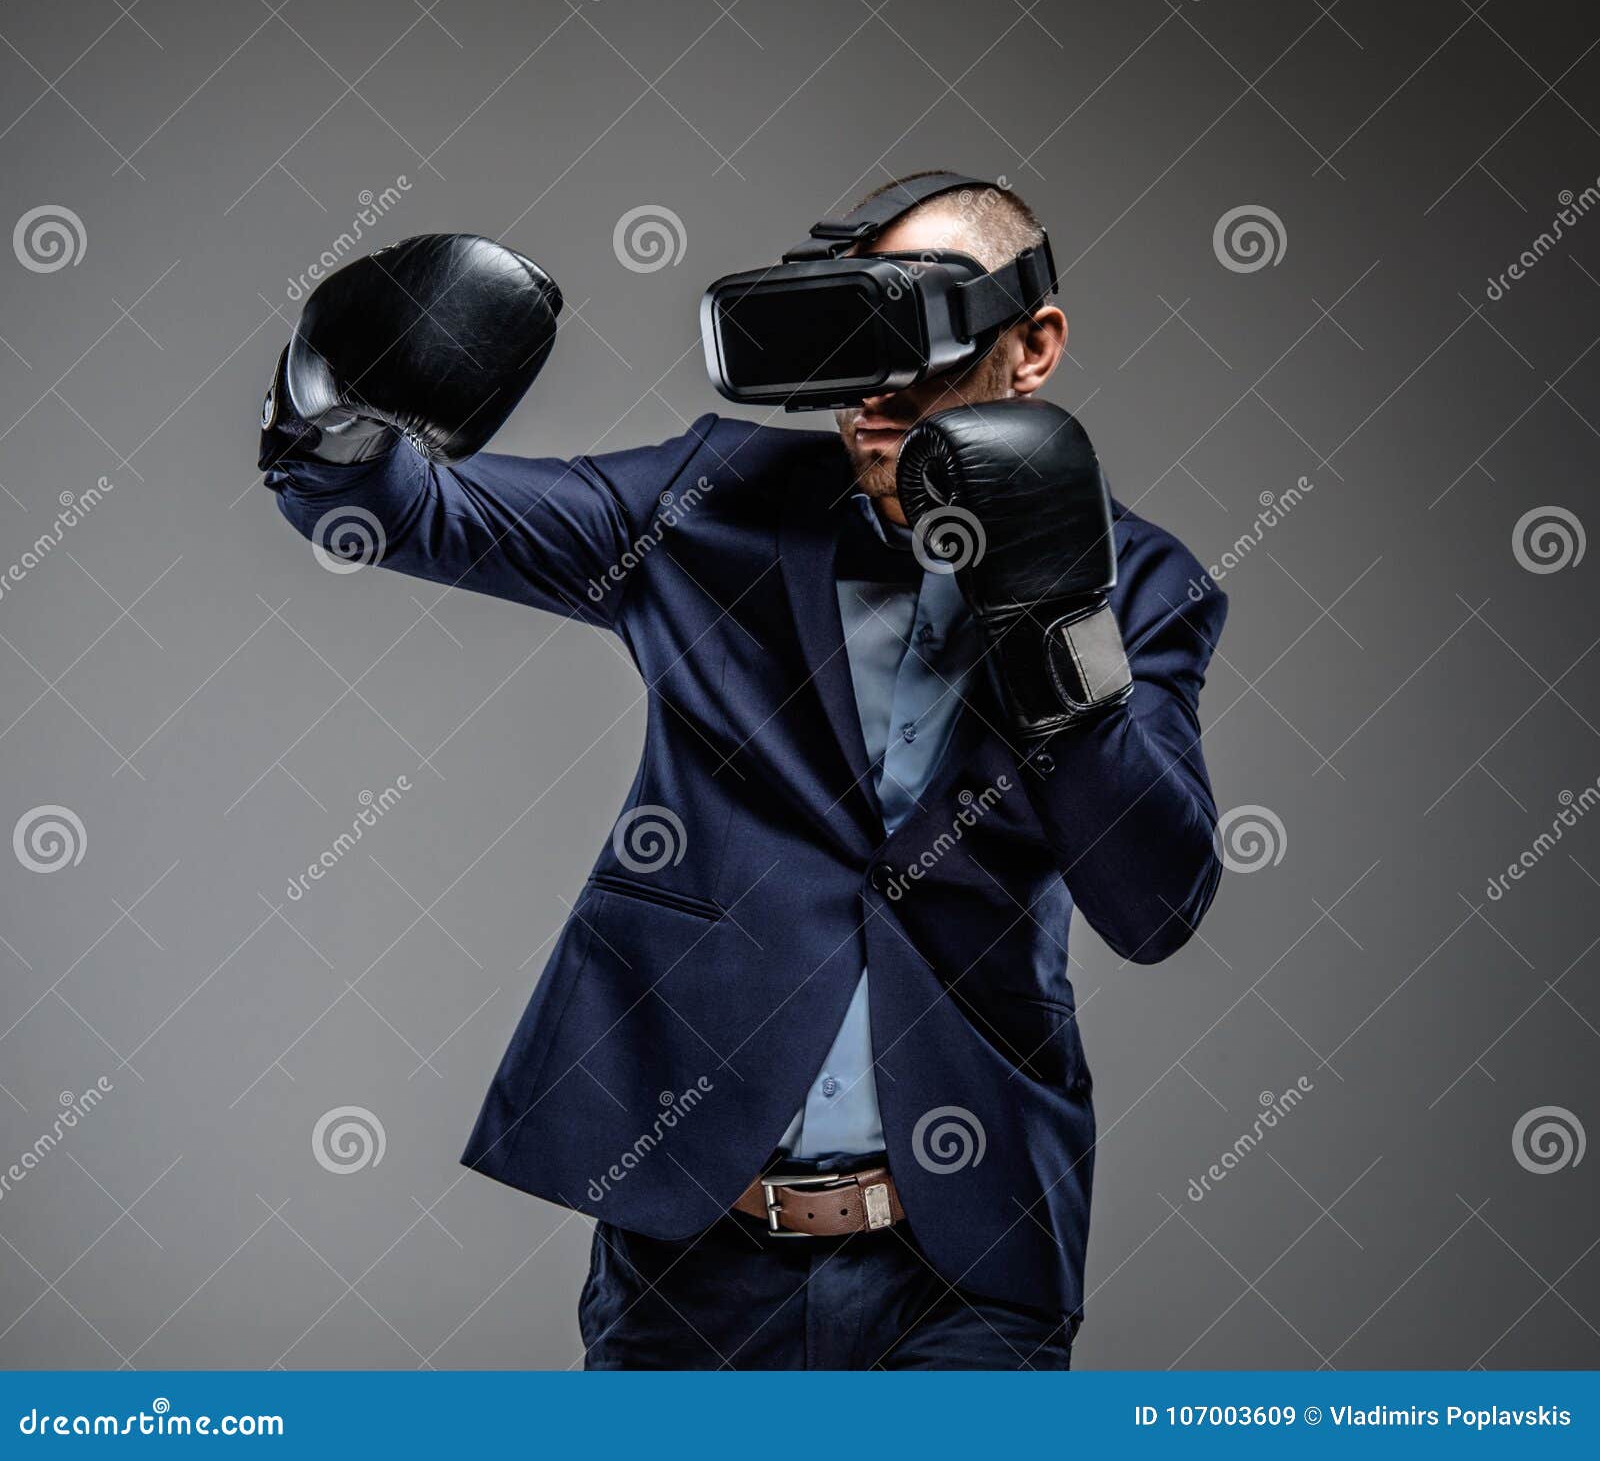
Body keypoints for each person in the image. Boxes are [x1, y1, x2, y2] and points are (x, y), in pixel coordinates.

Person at [257, 173, 1228, 1370]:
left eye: (911, 332)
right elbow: (395, 513)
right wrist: (331, 399)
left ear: (1030, 347)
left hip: (968, 1262)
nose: (872, 391)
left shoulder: (1142, 583)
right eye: (843, 335)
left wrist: (1052, 624)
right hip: (690, 1259)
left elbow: (1155, 904)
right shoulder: (705, 503)